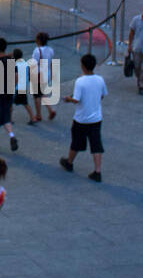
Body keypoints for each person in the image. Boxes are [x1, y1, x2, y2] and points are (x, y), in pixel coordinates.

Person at [60, 53, 107, 183]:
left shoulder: (80, 81)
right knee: (96, 144)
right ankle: (97, 171)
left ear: (83, 66)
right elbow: (102, 95)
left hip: (81, 118)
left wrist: (67, 98)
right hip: (96, 118)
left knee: (76, 142)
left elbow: (76, 99)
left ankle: (69, 162)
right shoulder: (100, 80)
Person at [31, 31, 57, 120]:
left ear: (38, 40)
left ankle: (38, 115)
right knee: (41, 93)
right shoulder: (50, 50)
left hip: (38, 75)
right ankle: (51, 110)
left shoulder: (37, 51)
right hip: (47, 74)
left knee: (36, 95)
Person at [12, 46, 37, 125]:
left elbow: (15, 76)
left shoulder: (14, 65)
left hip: (16, 88)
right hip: (23, 87)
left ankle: (9, 119)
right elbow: (30, 74)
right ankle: (32, 118)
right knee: (25, 103)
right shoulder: (26, 64)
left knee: (10, 103)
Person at [126, 12, 143, 94]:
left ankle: (141, 85)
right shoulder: (136, 20)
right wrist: (129, 45)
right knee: (137, 67)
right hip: (137, 47)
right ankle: (139, 79)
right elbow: (131, 33)